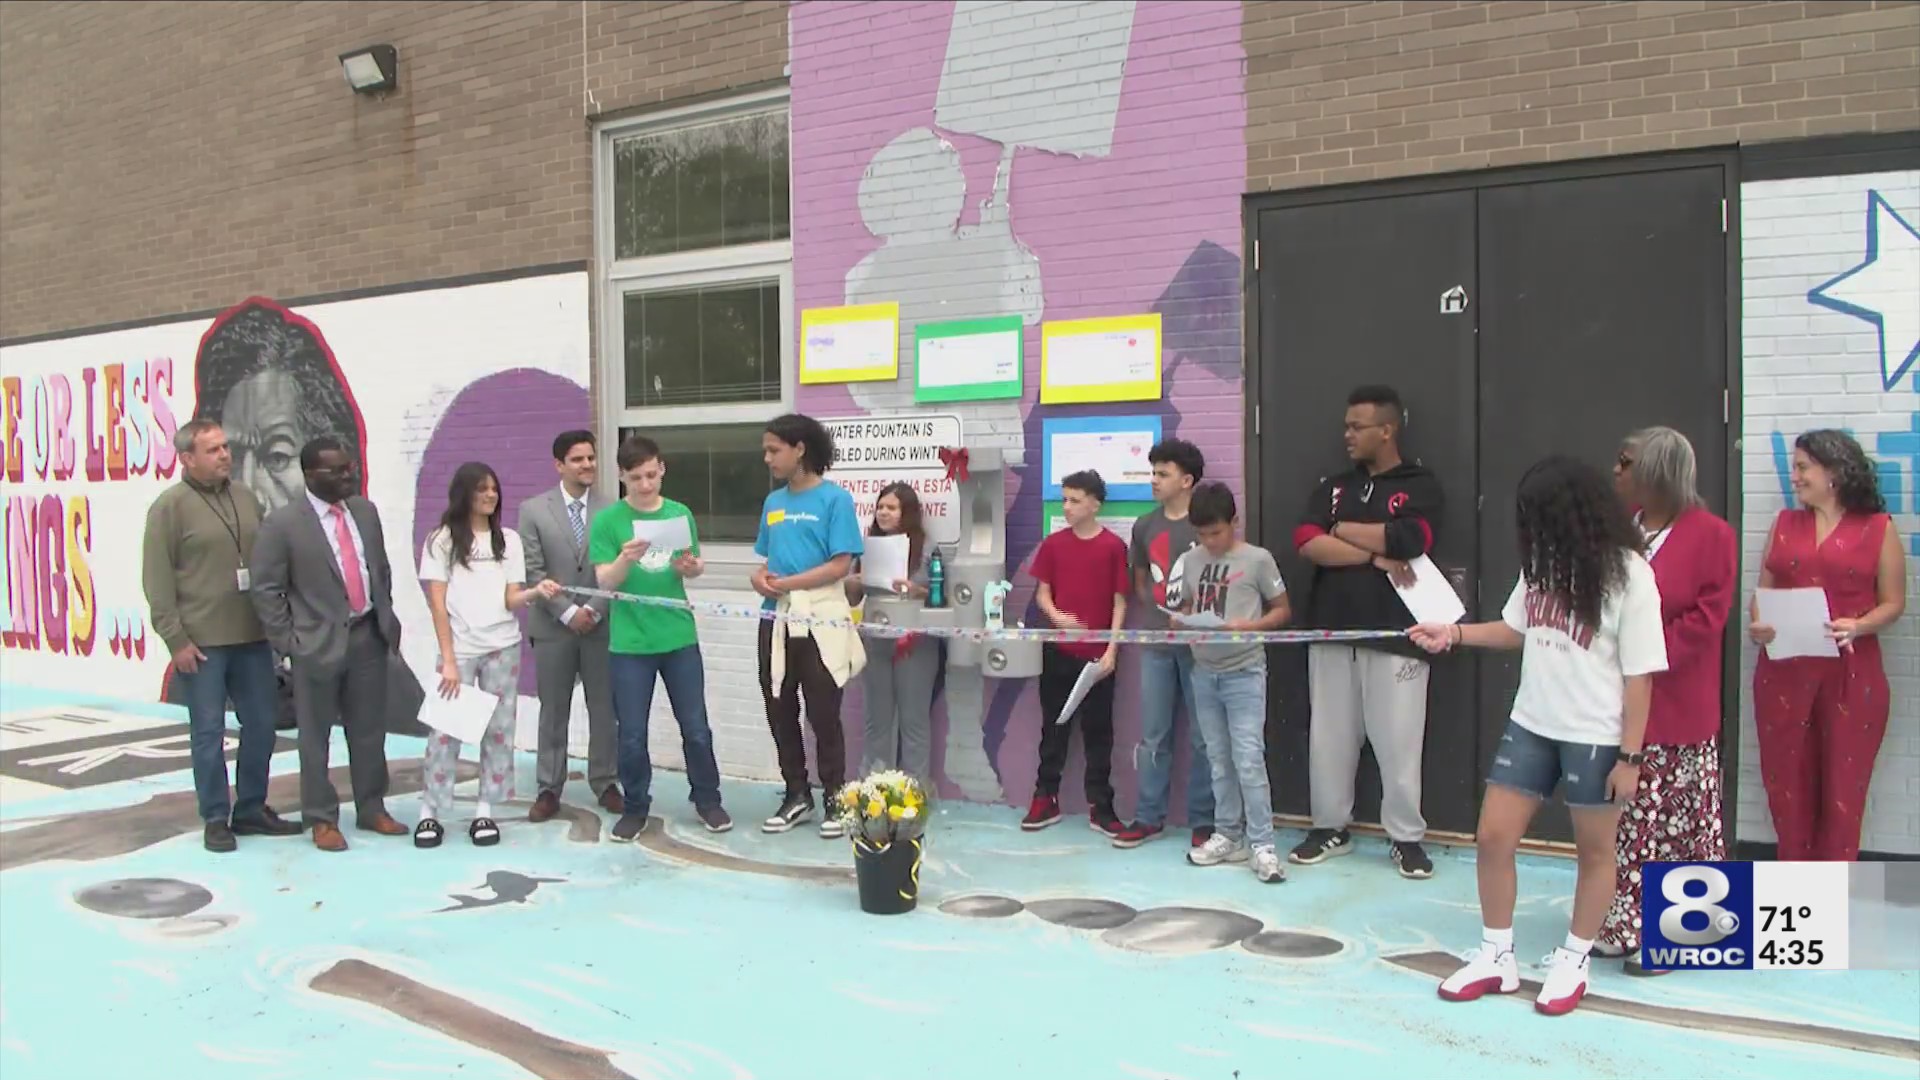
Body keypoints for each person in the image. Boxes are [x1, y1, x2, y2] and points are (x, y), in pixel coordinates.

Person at [1410, 455, 1666, 1016]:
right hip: (1532, 723)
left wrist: (1631, 755)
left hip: (1596, 735)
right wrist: (1451, 633)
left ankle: (1574, 959)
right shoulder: (1543, 563)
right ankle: (1496, 955)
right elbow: (1515, 629)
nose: (1528, 527)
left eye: (1536, 515)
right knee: (1493, 838)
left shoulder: (1630, 574)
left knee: (1595, 852)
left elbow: (1640, 674)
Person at [1291, 384, 1444, 880]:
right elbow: (1306, 542)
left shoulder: (1420, 484)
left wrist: (1343, 531)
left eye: (1358, 427)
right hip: (1332, 630)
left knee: (1400, 741)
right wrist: (1377, 554)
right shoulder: (1333, 486)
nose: (1348, 435)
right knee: (1329, 738)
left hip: (1399, 633)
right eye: (1346, 426)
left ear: (1387, 429)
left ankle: (1406, 837)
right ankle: (1328, 827)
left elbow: (1412, 539)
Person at [1598, 427, 1736, 972]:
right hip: (1618, 703)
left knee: (1678, 823)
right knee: (1627, 823)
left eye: (1626, 461)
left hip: (1677, 704)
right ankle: (1623, 920)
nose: (1616, 470)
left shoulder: (1712, 536)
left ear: (1655, 471)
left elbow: (1706, 619)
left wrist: (1640, 656)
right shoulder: (1620, 534)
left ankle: (1683, 934)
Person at [141, 419, 302, 853]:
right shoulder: (169, 508)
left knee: (263, 725)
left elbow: (269, 562)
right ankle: (215, 816)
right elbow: (156, 583)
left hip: (252, 637)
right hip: (203, 644)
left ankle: (250, 807)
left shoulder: (245, 498)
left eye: (225, 447)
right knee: (208, 732)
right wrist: (176, 641)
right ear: (187, 458)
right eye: (213, 450)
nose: (225, 456)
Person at [1750, 429, 1906, 862]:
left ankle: (1833, 903)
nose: (1794, 477)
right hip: (1783, 674)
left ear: (1834, 472)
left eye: (1803, 467)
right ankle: (1795, 903)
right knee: (1787, 790)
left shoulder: (1877, 529)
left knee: (1842, 792)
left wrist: (1857, 626)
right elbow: (1760, 597)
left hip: (1851, 676)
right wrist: (1759, 625)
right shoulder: (1784, 524)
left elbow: (1894, 603)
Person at [249, 435, 408, 852]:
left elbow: (380, 568)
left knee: (370, 731)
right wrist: (288, 640)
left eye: (348, 466)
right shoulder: (283, 524)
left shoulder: (364, 512)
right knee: (315, 737)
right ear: (309, 475)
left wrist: (385, 614)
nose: (347, 475)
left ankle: (372, 807)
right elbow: (266, 588)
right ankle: (321, 817)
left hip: (367, 636)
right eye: (336, 470)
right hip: (315, 644)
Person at [590, 434, 731, 842]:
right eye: (636, 478)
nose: (646, 485)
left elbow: (692, 566)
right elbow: (604, 582)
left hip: (678, 635)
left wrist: (691, 566)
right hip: (630, 643)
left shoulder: (679, 513)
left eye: (652, 475)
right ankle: (635, 806)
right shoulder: (609, 521)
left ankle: (708, 799)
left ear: (662, 468)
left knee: (696, 727)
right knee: (632, 732)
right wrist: (624, 558)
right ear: (622, 477)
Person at [416, 463, 561, 849]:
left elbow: (511, 598)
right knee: (445, 731)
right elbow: (437, 603)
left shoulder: (508, 541)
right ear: (464, 493)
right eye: (481, 489)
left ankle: (485, 810)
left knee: (498, 731)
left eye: (494, 488)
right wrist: (447, 658)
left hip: (503, 646)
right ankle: (430, 811)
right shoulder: (441, 541)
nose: (490, 495)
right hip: (460, 650)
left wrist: (535, 593)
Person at [1170, 483, 1291, 883]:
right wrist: (1182, 619)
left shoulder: (1258, 560)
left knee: (1248, 758)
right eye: (1202, 535)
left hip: (1244, 670)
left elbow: (1282, 611)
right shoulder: (1189, 561)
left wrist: (1249, 625)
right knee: (1217, 760)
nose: (1210, 542)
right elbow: (1185, 605)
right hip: (1204, 671)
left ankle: (1263, 845)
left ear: (1234, 523)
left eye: (1217, 533)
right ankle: (1228, 834)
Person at [752, 414, 866, 837]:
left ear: (800, 448)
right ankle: (795, 793)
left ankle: (836, 797)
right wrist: (759, 579)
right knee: (779, 706)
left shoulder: (835, 500)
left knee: (823, 712)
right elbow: (767, 559)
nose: (767, 459)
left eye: (773, 450)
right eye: (765, 451)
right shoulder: (773, 503)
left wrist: (789, 584)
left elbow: (841, 564)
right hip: (775, 616)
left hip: (821, 617)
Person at [1114, 438, 1217, 850]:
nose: (1153, 480)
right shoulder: (1144, 525)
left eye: (1163, 473)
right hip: (1156, 644)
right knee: (1153, 734)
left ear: (1187, 480)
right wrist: (1156, 611)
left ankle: (1204, 820)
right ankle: (1147, 816)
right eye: (1152, 472)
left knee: (1203, 736)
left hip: (1202, 649)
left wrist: (1195, 618)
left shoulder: (1206, 524)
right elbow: (1140, 579)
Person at [518, 430, 622, 820]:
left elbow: (613, 574)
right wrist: (566, 612)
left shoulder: (611, 510)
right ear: (559, 465)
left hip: (599, 625)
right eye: (578, 459)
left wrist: (592, 611)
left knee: (603, 708)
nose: (587, 465)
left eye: (591, 458)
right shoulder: (533, 510)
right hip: (552, 627)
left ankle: (606, 781)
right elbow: (533, 570)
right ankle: (549, 788)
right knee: (553, 710)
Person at [1024, 469, 1129, 837]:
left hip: (1098, 657)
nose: (1067, 507)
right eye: (1064, 499)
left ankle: (1101, 806)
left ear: (1095, 505)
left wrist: (1112, 651)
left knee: (1099, 732)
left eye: (1075, 500)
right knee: (1053, 727)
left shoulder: (1114, 547)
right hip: (1058, 652)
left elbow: (1120, 602)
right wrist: (1057, 617)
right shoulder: (1053, 545)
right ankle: (1044, 797)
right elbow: (1042, 594)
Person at [843, 482, 940, 785]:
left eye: (891, 507)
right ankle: (873, 787)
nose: (883, 512)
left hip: (915, 643)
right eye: (880, 506)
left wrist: (915, 590)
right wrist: (855, 580)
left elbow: (941, 598)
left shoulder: (926, 549)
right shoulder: (866, 545)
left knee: (914, 722)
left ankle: (914, 791)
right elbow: (852, 599)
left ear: (906, 513)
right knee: (877, 720)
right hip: (875, 640)